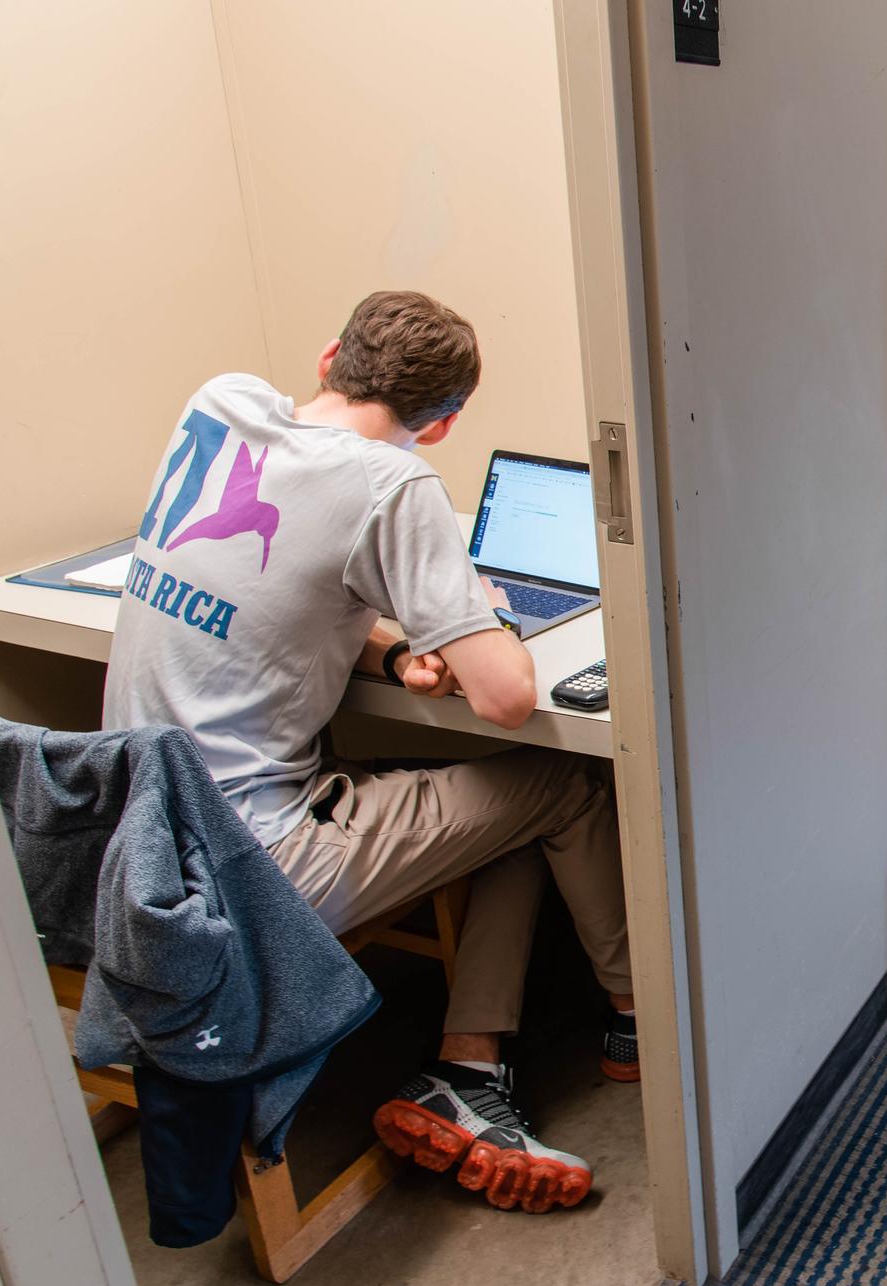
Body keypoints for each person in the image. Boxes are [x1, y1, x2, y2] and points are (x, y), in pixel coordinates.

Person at [104, 290, 634, 1213]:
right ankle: (641, 1022)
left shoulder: (219, 402)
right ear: (444, 424)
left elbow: (281, 585)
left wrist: (390, 644)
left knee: (497, 807)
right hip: (252, 870)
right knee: (561, 782)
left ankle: (469, 1068)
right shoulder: (394, 483)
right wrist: (470, 607)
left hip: (137, 842)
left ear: (327, 356)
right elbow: (508, 696)